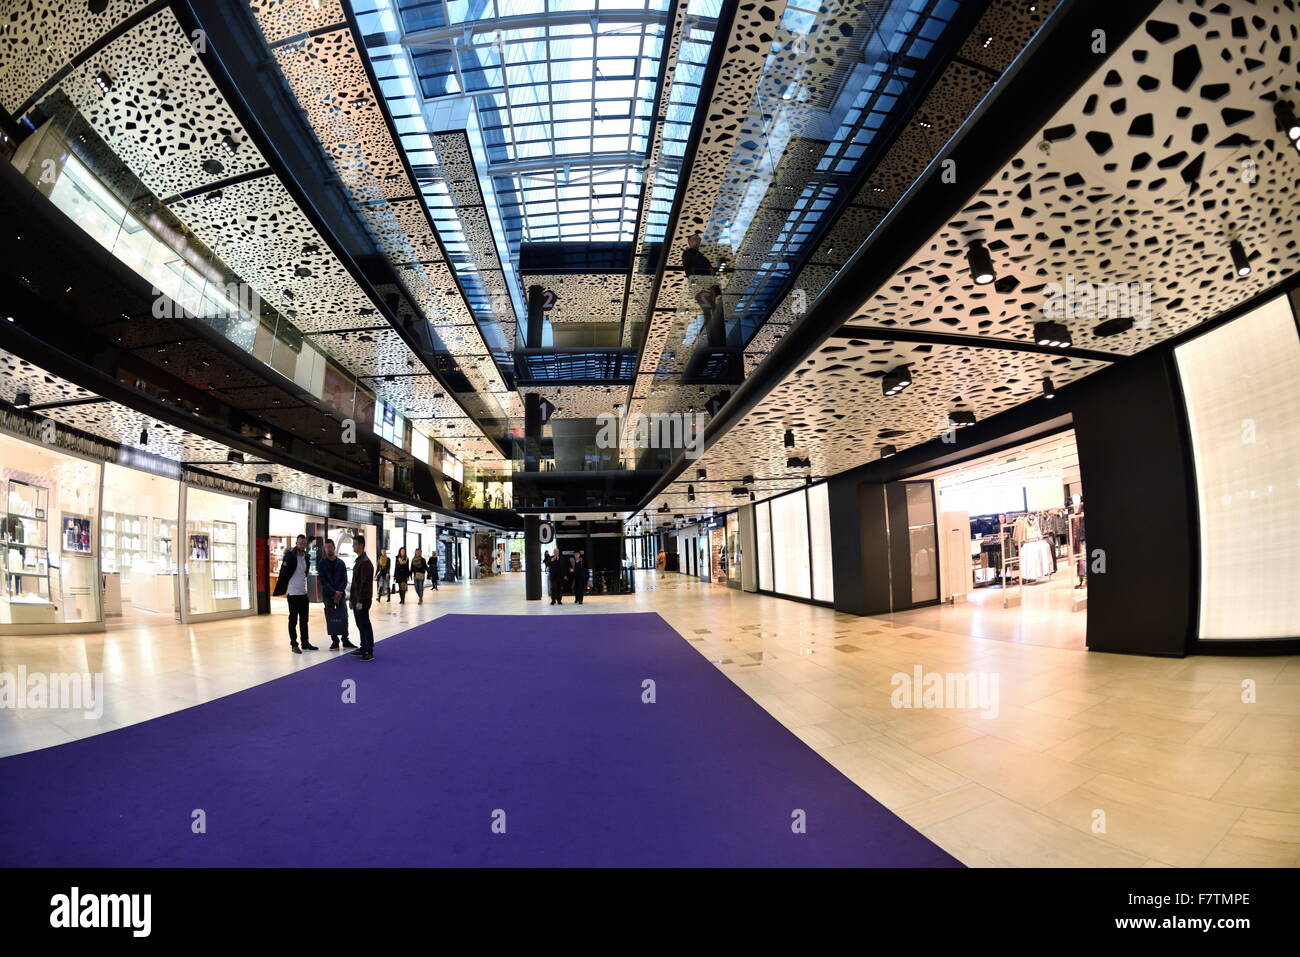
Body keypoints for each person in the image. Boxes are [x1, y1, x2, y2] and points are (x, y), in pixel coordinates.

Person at [272, 534, 317, 653]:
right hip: (292, 593)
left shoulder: (306, 557)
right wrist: (282, 588)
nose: (302, 545)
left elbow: (305, 573)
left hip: (303, 592)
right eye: (300, 543)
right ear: (296, 543)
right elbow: (284, 572)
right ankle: (294, 644)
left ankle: (305, 643)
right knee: (293, 620)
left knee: (304, 620)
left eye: (304, 543)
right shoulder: (290, 555)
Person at [317, 539, 356, 651]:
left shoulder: (341, 563)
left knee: (344, 616)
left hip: (341, 594)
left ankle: (345, 639)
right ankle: (334, 641)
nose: (329, 549)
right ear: (325, 549)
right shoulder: (322, 563)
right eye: (326, 547)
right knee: (331, 617)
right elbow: (323, 581)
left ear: (334, 548)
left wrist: (339, 592)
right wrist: (334, 592)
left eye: (330, 547)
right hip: (328, 595)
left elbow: (344, 579)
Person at [348, 534, 375, 662]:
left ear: (361, 545)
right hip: (357, 598)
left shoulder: (365, 563)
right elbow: (355, 582)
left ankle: (369, 650)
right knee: (360, 624)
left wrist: (359, 601)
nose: (353, 546)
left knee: (364, 624)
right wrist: (352, 599)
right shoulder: (360, 560)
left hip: (362, 599)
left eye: (354, 544)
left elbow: (364, 584)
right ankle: (363, 647)